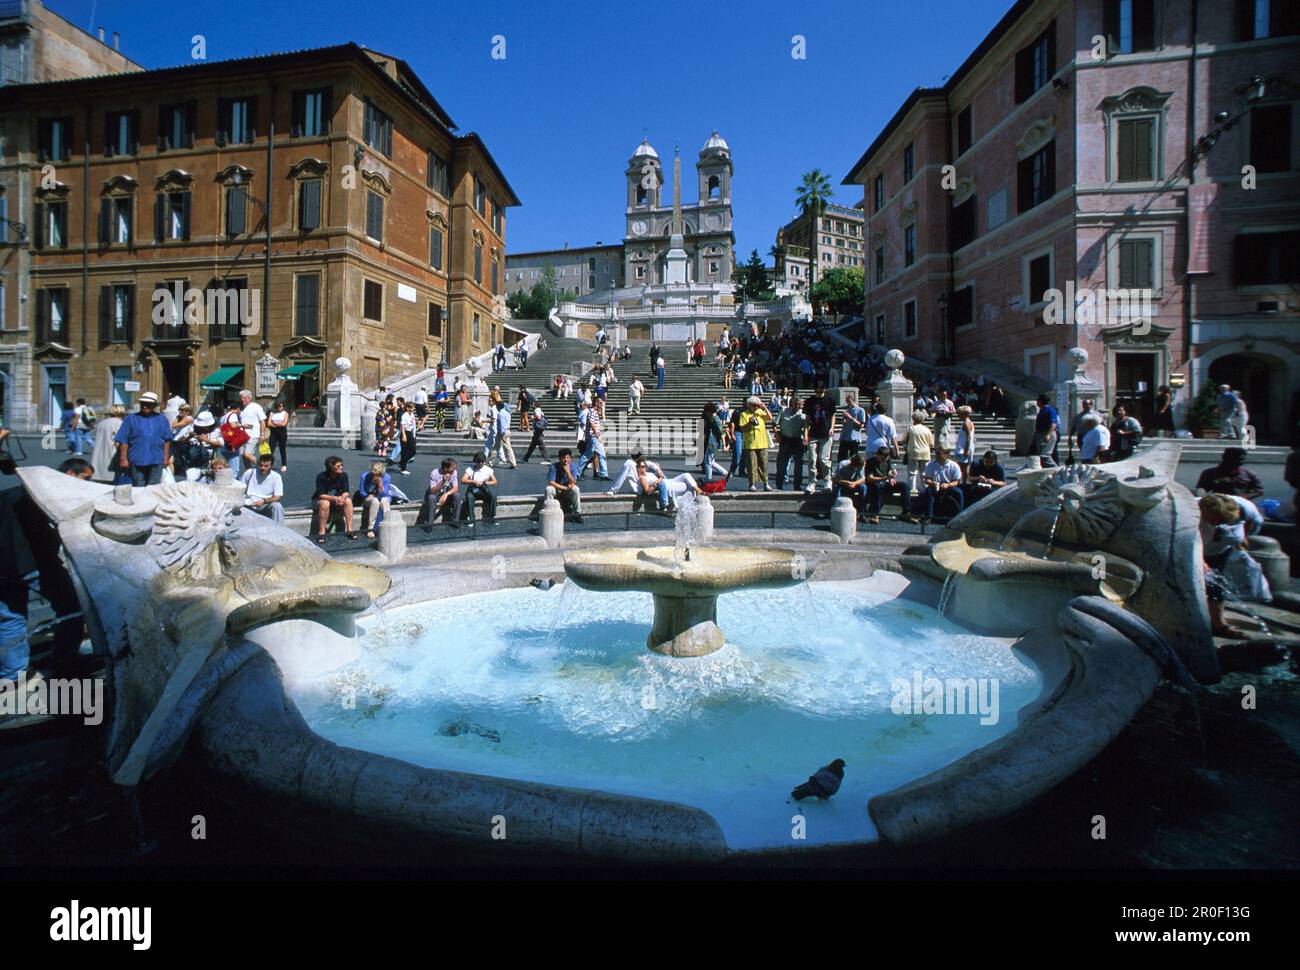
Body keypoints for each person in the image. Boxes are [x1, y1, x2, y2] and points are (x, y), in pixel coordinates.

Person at [114, 391, 174, 486]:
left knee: (154, 488)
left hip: (156, 459)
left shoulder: (162, 419)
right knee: (138, 488)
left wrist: (165, 457)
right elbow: (123, 440)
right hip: (136, 459)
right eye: (143, 404)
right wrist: (123, 459)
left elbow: (167, 439)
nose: (145, 406)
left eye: (148, 404)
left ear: (154, 405)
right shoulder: (130, 419)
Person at [904, 446, 964, 523]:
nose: (937, 456)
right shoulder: (931, 465)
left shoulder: (954, 466)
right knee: (928, 492)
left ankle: (960, 516)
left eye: (939, 454)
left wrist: (948, 485)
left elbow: (957, 481)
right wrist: (933, 483)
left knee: (959, 493)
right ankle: (929, 516)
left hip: (949, 485)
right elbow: (927, 479)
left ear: (947, 455)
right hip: (935, 485)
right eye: (936, 453)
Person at [530, 448, 584, 523]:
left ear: (571, 458)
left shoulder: (573, 467)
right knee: (549, 489)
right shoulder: (554, 466)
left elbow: (574, 482)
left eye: (568, 457)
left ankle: (577, 513)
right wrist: (564, 488)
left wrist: (568, 472)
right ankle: (548, 510)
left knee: (576, 489)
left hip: (567, 490)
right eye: (563, 457)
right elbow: (551, 482)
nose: (566, 460)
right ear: (560, 458)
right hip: (557, 489)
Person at [311, 456, 356, 542]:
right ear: (331, 467)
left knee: (348, 501)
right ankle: (321, 533)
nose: (341, 467)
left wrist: (342, 497)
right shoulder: (321, 476)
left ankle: (350, 530)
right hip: (319, 500)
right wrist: (334, 498)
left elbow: (346, 491)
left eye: (342, 465)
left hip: (336, 500)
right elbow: (321, 495)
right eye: (338, 466)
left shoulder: (343, 475)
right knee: (325, 503)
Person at [803, 387, 837, 493]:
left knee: (824, 459)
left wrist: (832, 428)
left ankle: (827, 480)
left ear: (824, 391)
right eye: (817, 392)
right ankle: (812, 482)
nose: (819, 394)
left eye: (821, 392)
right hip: (813, 434)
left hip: (826, 434)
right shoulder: (810, 401)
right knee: (812, 459)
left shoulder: (829, 400)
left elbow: (832, 416)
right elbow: (807, 418)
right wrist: (805, 433)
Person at [1195, 447, 1264, 499]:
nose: (1241, 462)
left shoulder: (1249, 474)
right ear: (1225, 458)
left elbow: (1259, 490)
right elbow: (1201, 490)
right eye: (1238, 459)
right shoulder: (1209, 473)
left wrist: (1243, 497)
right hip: (1219, 505)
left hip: (1241, 505)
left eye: (1243, 459)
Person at [738, 395, 773, 491]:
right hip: (750, 444)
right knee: (752, 464)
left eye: (757, 405)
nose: (756, 407)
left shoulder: (760, 412)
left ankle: (766, 483)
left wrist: (764, 407)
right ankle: (752, 483)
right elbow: (742, 428)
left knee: (764, 464)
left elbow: (770, 418)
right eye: (754, 405)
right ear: (749, 405)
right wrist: (749, 423)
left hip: (762, 442)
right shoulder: (744, 414)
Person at [240, 453, 285, 525]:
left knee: (277, 506)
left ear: (271, 466)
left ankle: (280, 529)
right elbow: (240, 489)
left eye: (266, 466)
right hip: (249, 504)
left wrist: (264, 501)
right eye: (261, 465)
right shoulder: (249, 473)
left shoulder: (276, 477)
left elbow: (277, 497)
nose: (263, 468)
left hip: (264, 504)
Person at [863, 446, 903, 524]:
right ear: (877, 455)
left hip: (885, 482)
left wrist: (891, 476)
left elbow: (889, 472)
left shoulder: (887, 461)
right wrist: (885, 478)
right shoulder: (871, 462)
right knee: (878, 488)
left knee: (904, 486)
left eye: (885, 458)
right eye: (881, 458)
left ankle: (906, 512)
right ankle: (875, 514)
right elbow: (870, 478)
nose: (883, 460)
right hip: (873, 484)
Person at [176, 410, 219, 481]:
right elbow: (180, 441)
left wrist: (205, 440)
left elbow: (219, 444)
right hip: (192, 459)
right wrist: (189, 437)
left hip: (207, 458)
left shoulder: (216, 431)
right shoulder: (192, 428)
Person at [418, 458, 460, 531]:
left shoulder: (454, 472)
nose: (454, 470)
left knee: (457, 496)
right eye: (452, 468)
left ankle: (455, 520)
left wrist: (447, 494)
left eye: (454, 468)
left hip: (445, 493)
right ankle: (429, 524)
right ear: (445, 468)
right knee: (432, 498)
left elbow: (456, 488)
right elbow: (432, 491)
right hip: (435, 494)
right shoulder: (434, 473)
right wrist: (443, 482)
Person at [774, 396, 806, 491]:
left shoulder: (803, 414)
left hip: (797, 440)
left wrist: (805, 436)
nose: (798, 406)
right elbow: (775, 424)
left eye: (800, 404)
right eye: (797, 404)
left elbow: (806, 427)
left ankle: (797, 485)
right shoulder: (784, 411)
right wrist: (777, 435)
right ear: (792, 404)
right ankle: (779, 484)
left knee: (798, 464)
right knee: (782, 464)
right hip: (785, 439)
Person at [357, 460, 395, 538]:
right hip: (369, 497)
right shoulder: (364, 476)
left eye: (380, 474)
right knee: (375, 502)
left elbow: (385, 494)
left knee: (385, 501)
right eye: (375, 474)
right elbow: (362, 493)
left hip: (381, 496)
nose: (377, 476)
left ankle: (387, 526)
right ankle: (370, 529)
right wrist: (372, 494)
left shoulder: (387, 477)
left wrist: (380, 485)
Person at [458, 452, 497, 527]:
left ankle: (492, 516)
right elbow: (463, 480)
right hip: (473, 491)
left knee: (493, 496)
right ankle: (471, 519)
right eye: (478, 462)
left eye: (482, 462)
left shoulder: (488, 469)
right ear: (475, 461)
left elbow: (495, 481)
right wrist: (474, 481)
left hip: (483, 490)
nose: (481, 463)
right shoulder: (470, 469)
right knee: (469, 497)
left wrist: (486, 483)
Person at [903, 409, 934, 498]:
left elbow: (904, 440)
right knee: (924, 473)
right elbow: (931, 443)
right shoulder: (927, 430)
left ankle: (912, 490)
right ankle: (924, 490)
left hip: (913, 451)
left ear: (913, 419)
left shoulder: (910, 428)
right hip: (925, 452)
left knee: (912, 473)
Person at [91, 405, 127, 482]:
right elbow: (119, 442)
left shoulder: (101, 423)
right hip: (112, 455)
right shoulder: (120, 423)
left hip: (99, 454)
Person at [238, 388, 268, 472]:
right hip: (243, 435)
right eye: (241, 398)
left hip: (253, 435)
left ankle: (264, 466)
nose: (242, 399)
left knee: (247, 454)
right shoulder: (242, 409)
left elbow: (262, 421)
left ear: (249, 398)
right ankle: (249, 472)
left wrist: (262, 434)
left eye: (244, 397)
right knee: (243, 456)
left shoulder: (256, 406)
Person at [700, 402, 730, 484]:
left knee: (708, 462)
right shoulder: (712, 418)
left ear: (709, 411)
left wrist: (724, 445)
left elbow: (721, 432)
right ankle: (725, 473)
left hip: (713, 443)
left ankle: (708, 479)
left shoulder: (715, 419)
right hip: (712, 442)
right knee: (711, 461)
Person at [835, 453, 869, 518]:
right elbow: (836, 479)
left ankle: (862, 512)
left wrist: (855, 483)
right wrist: (846, 482)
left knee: (864, 487)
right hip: (843, 483)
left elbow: (863, 479)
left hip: (854, 483)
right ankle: (837, 507)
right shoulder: (842, 464)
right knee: (837, 488)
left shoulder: (861, 465)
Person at [837, 393, 866, 463]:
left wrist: (850, 418)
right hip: (844, 436)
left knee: (854, 458)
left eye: (849, 401)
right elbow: (844, 424)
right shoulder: (847, 410)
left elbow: (861, 425)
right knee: (841, 458)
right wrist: (843, 419)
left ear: (853, 400)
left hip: (854, 437)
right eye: (846, 401)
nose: (847, 402)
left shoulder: (860, 410)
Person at [1032, 393, 1060, 467]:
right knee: (1039, 457)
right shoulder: (1042, 410)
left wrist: (1048, 434)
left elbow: (1053, 423)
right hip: (1040, 434)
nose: (1037, 402)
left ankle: (1056, 469)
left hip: (1047, 434)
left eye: (1037, 400)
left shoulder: (1050, 410)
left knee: (1044, 456)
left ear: (1040, 401)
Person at [492, 399, 517, 469]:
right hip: (508, 430)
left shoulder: (500, 414)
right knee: (509, 448)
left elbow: (502, 425)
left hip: (502, 433)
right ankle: (513, 462)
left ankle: (490, 462)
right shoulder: (507, 413)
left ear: (498, 407)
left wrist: (502, 435)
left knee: (495, 448)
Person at [267, 400, 290, 472]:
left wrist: (274, 423)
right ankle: (269, 464)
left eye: (282, 406)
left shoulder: (285, 413)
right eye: (280, 406)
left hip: (282, 432)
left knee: (282, 448)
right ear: (276, 406)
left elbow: (284, 424)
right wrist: (278, 423)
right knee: (271, 448)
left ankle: (284, 464)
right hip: (273, 433)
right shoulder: (272, 413)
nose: (281, 407)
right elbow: (268, 423)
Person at [953, 405, 976, 480]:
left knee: (962, 468)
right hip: (967, 447)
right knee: (965, 468)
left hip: (964, 448)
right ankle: (964, 483)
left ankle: (963, 484)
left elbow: (968, 437)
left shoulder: (966, 424)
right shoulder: (970, 422)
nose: (958, 416)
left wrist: (965, 450)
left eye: (959, 414)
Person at [397, 401, 418, 474]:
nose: (414, 408)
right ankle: (403, 468)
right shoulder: (404, 415)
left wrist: (413, 434)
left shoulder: (412, 414)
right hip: (405, 432)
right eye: (412, 407)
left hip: (410, 433)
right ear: (408, 408)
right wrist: (404, 435)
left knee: (413, 451)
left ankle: (402, 462)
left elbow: (413, 424)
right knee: (404, 451)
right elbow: (402, 426)